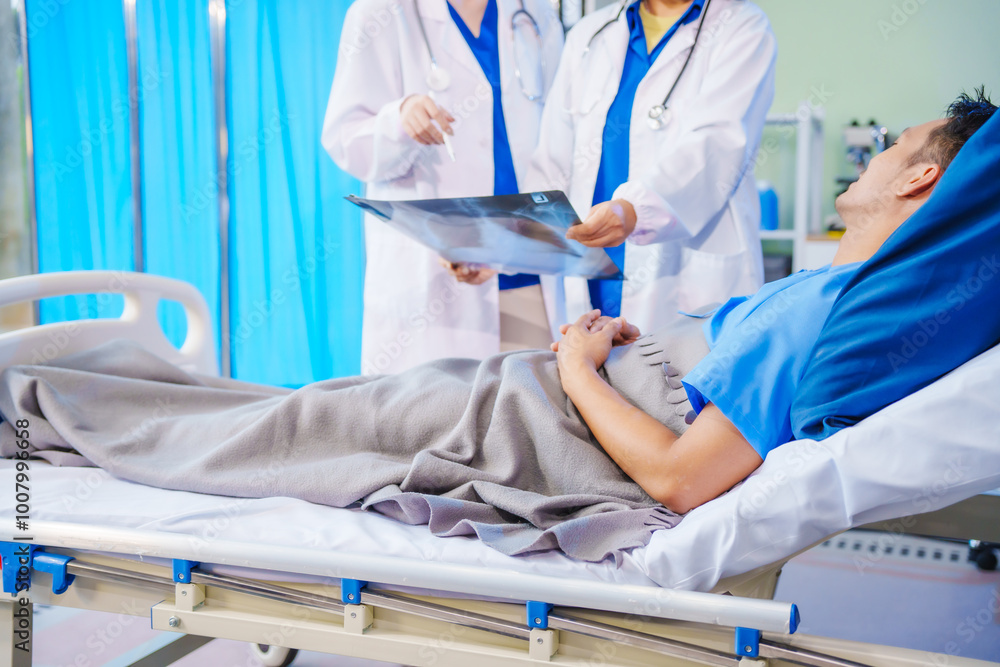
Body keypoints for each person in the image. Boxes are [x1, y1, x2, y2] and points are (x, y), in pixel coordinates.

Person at [4, 94, 994, 560]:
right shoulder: (835, 298)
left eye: (893, 146)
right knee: (297, 409)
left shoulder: (827, 310)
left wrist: (574, 369)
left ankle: (38, 399)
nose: (861, 164)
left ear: (917, 179)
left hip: (550, 408)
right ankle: (77, 394)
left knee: (291, 423)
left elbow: (681, 477)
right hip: (559, 385)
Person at [322, 0, 564, 375]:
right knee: (435, 421)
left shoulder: (537, 17)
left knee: (529, 416)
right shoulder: (379, 13)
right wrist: (398, 121)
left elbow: (559, 141)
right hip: (430, 285)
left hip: (525, 267)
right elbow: (344, 140)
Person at [505, 0, 777, 333]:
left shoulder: (741, 27)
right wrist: (505, 249)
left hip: (683, 277)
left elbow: (717, 145)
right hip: (591, 280)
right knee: (587, 377)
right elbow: (552, 163)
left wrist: (636, 210)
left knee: (673, 376)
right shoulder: (590, 34)